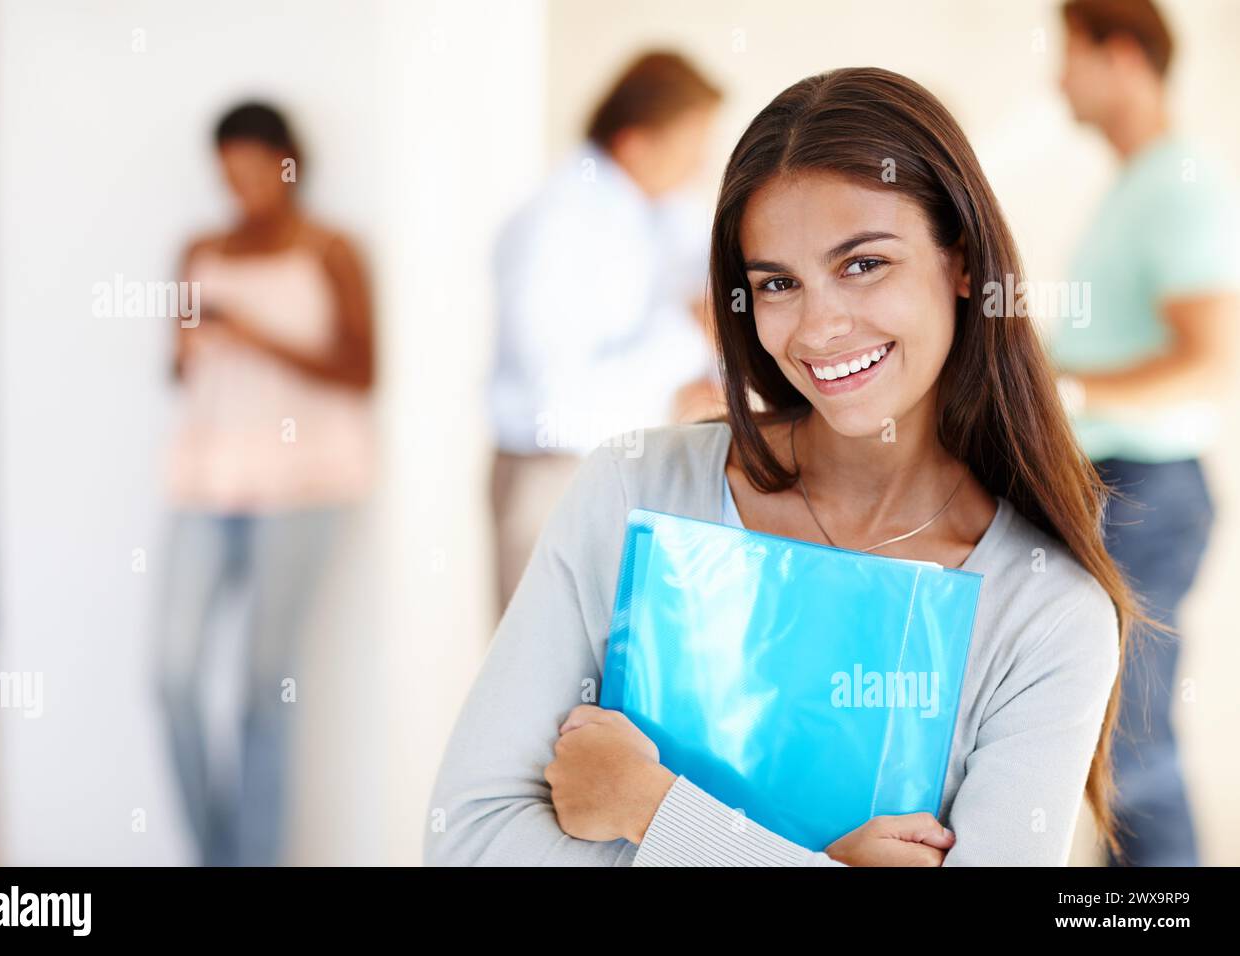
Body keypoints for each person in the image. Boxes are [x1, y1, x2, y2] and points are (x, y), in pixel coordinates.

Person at [424, 67, 1162, 867]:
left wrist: (651, 808)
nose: (819, 328)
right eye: (778, 283)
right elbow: (471, 843)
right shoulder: (633, 488)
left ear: (962, 264)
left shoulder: (1048, 613)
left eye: (863, 265)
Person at [156, 102, 377, 866]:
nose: (241, 186)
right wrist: (192, 344)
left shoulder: (331, 249)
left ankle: (256, 860)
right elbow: (173, 369)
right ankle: (218, 856)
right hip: (209, 478)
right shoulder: (199, 249)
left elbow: (360, 370)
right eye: (228, 173)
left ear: (288, 163)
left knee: (262, 685)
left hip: (305, 483)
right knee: (171, 673)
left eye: (254, 169)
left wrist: (258, 336)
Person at [1054, 0, 1240, 866]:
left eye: (1069, 54)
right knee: (1108, 742)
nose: (1057, 77)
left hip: (1150, 493)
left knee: (1132, 749)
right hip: (1121, 484)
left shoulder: (1177, 183)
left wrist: (1065, 388)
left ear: (1119, 54)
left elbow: (1210, 359)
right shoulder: (1135, 184)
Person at [488, 51, 724, 616]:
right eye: (689, 146)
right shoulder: (557, 226)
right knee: (548, 676)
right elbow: (563, 403)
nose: (697, 166)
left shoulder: (655, 215)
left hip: (622, 466)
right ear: (634, 143)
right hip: (553, 477)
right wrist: (691, 332)